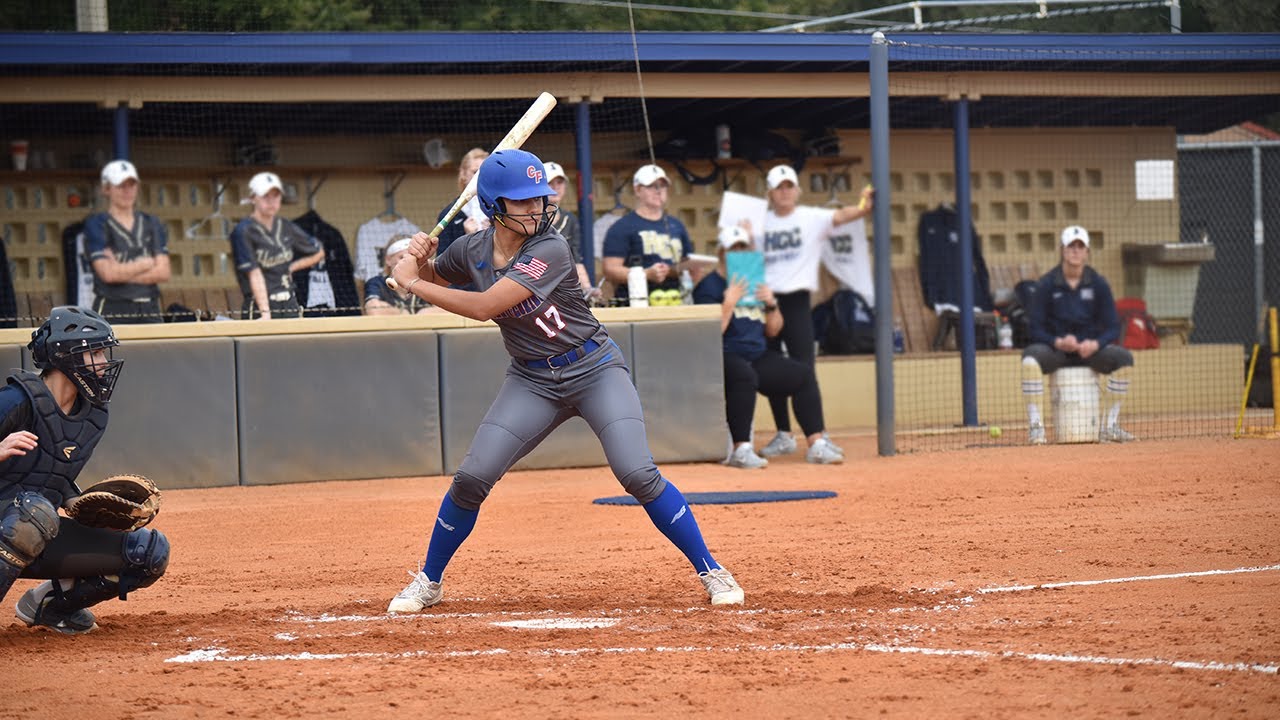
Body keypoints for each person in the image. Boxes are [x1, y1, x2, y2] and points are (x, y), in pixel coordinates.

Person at [387, 149, 744, 610]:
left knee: (636, 472)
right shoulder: (472, 250)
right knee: (471, 478)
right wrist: (419, 260)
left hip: (594, 370)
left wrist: (412, 281)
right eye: (523, 201)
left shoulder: (551, 247)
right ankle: (429, 581)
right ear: (495, 205)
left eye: (539, 198)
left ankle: (711, 569)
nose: (537, 208)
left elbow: (482, 307)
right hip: (532, 380)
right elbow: (431, 274)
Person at [0, 306, 170, 634]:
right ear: (66, 357)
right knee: (34, 516)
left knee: (147, 552)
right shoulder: (15, 400)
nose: (105, 362)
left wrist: (75, 502)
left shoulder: (92, 416)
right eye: (95, 352)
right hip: (20, 523)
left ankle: (50, 608)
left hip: (32, 528)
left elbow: (48, 473)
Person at [695, 226, 844, 468]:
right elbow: (708, 334)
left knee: (802, 375)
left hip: (756, 353)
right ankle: (741, 450)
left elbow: (773, 330)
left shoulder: (755, 280)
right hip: (723, 353)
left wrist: (771, 304)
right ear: (722, 252)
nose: (740, 253)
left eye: (744, 248)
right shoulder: (709, 286)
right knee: (745, 375)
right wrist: (728, 302)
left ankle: (816, 444)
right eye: (734, 249)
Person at [756, 164, 872, 459]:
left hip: (796, 301)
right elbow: (736, 249)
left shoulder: (810, 217)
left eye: (788, 186)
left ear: (797, 190)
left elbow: (842, 215)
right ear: (769, 192)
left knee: (805, 367)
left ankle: (817, 437)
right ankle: (783, 434)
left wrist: (864, 206)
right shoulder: (758, 221)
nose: (784, 192)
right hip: (765, 301)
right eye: (778, 187)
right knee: (772, 369)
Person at [1021, 225, 1135, 445]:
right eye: (1071, 246)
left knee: (1124, 360)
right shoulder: (1046, 284)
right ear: (1062, 250)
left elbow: (1112, 326)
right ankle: (1036, 429)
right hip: (1056, 351)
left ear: (1087, 252)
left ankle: (1109, 427)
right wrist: (1057, 341)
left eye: (1080, 246)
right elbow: (1034, 328)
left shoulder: (1099, 284)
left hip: (1089, 351)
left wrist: (1095, 343)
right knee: (1029, 359)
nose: (1075, 251)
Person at [229, 172, 325, 320]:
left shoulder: (285, 226)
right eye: (265, 196)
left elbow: (318, 252)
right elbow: (254, 273)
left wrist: (292, 267)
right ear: (253, 198)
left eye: (276, 196)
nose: (271, 201)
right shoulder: (243, 231)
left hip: (289, 302)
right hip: (259, 306)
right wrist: (265, 313)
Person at [83, 160, 170, 324]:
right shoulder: (97, 224)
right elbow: (108, 274)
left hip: (149, 307)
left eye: (132, 185)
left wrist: (120, 271)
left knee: (156, 349)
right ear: (106, 189)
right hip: (112, 307)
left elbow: (163, 272)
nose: (127, 191)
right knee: (111, 350)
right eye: (120, 186)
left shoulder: (151, 222)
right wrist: (146, 264)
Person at [600, 164, 693, 304]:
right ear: (637, 190)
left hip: (675, 301)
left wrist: (672, 270)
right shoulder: (622, 227)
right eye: (652, 186)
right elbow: (610, 269)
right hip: (636, 302)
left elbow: (689, 264)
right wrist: (646, 274)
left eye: (662, 186)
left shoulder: (677, 225)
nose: (658, 191)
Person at [542, 161, 595, 297]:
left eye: (560, 183)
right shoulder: (529, 219)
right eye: (550, 182)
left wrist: (588, 289)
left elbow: (575, 259)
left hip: (561, 290)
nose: (555, 187)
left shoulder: (570, 219)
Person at [434, 147, 490, 256]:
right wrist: (467, 239)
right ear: (463, 174)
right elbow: (441, 261)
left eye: (484, 172)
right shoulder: (449, 215)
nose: (479, 177)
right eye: (475, 172)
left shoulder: (501, 209)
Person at [363, 235, 436, 316]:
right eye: (401, 257)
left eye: (413, 258)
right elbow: (373, 309)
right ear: (388, 260)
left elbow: (449, 308)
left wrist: (420, 315)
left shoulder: (429, 281)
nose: (408, 262)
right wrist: (405, 314)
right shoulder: (377, 283)